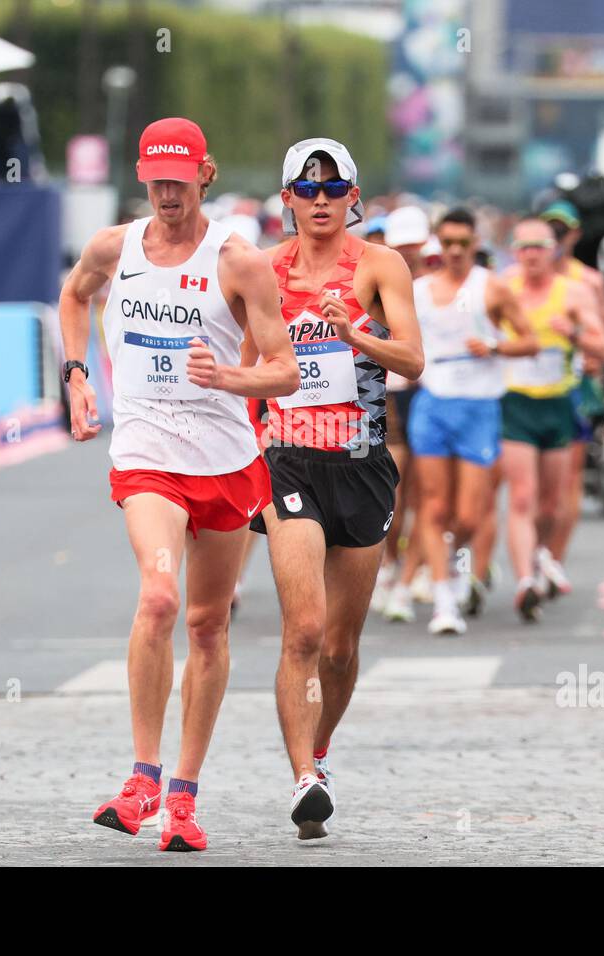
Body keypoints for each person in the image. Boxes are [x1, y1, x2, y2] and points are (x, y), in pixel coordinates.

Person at [60, 117, 298, 853]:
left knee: (207, 623)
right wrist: (75, 378)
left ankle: (185, 797)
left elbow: (284, 370)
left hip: (225, 460)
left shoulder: (240, 260)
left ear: (205, 174)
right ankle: (141, 778)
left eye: (180, 177)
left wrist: (230, 376)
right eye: (156, 178)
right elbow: (74, 298)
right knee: (159, 597)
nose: (168, 191)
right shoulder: (115, 246)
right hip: (147, 451)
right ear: (143, 179)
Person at [244, 138, 422, 839]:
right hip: (287, 462)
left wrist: (359, 334)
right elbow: (241, 366)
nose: (320, 201)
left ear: (354, 196)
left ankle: (320, 750)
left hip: (363, 465)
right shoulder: (260, 271)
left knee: (342, 646)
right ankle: (302, 779)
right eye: (306, 190)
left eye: (333, 189)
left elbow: (413, 358)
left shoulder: (381, 266)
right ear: (286, 198)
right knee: (305, 629)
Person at [386, 208, 532, 634]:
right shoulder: (418, 290)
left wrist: (495, 346)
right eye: (446, 243)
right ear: (438, 243)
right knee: (432, 505)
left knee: (468, 514)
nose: (453, 251)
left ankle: (447, 562)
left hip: (479, 407)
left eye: (462, 244)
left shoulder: (492, 288)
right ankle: (443, 600)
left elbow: (530, 340)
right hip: (433, 403)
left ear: (475, 245)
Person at [496, 217, 604, 619]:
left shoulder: (573, 293)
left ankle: (542, 555)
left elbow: (603, 347)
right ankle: (526, 579)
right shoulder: (501, 289)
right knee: (522, 497)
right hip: (515, 402)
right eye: (523, 247)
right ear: (513, 251)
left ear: (554, 250)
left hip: (559, 403)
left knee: (551, 506)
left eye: (539, 247)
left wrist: (573, 334)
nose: (531, 255)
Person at [373, 204, 430, 617]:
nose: (409, 253)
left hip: (432, 395)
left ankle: (417, 569)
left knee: (425, 492)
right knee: (393, 486)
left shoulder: (438, 283)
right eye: (402, 246)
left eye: (415, 246)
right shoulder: (378, 281)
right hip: (390, 395)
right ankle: (390, 566)